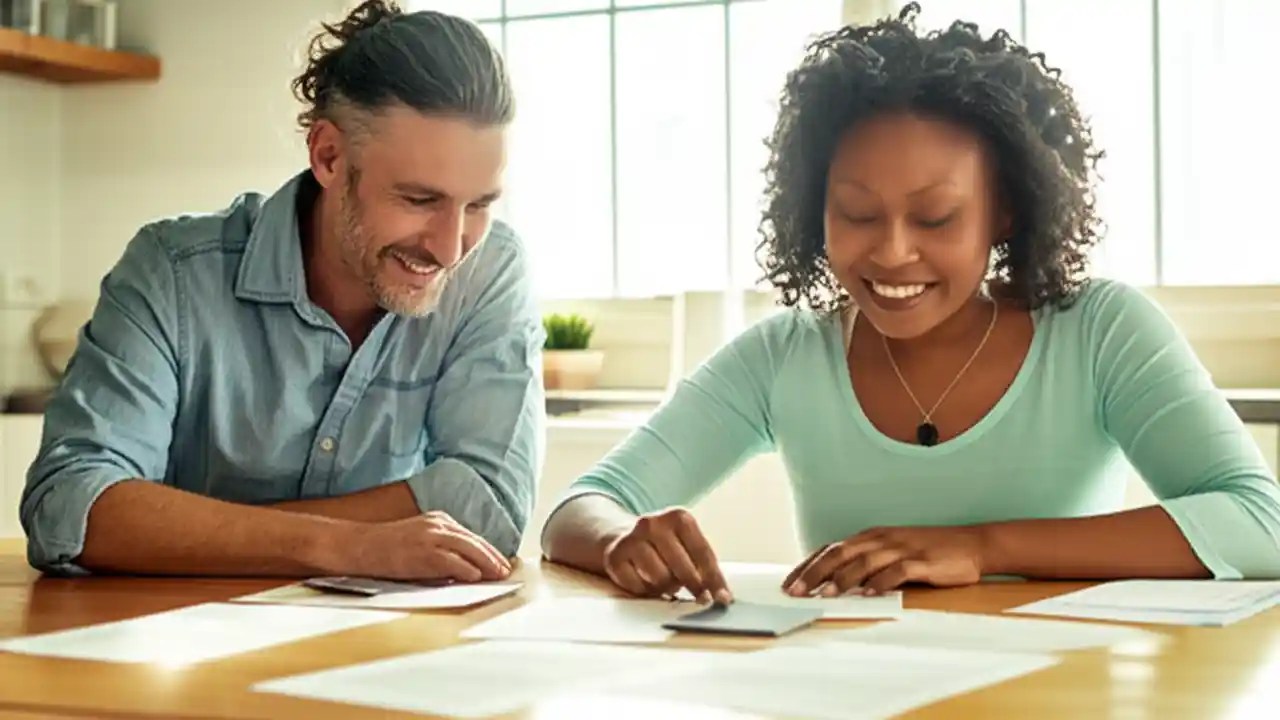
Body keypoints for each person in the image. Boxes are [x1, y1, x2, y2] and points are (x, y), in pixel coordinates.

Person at [541, 3, 1280, 603]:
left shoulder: (1098, 332)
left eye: (934, 218)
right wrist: (619, 539)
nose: (892, 252)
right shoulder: (785, 355)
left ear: (1006, 214)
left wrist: (981, 546)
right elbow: (583, 505)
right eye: (857, 214)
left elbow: (1260, 524)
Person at [21, 1, 544, 581]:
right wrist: (347, 547)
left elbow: (488, 504)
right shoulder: (172, 273)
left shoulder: (489, 270)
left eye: (479, 205)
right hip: (171, 650)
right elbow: (70, 506)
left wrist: (190, 531)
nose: (450, 249)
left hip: (382, 650)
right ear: (328, 156)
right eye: (419, 200)